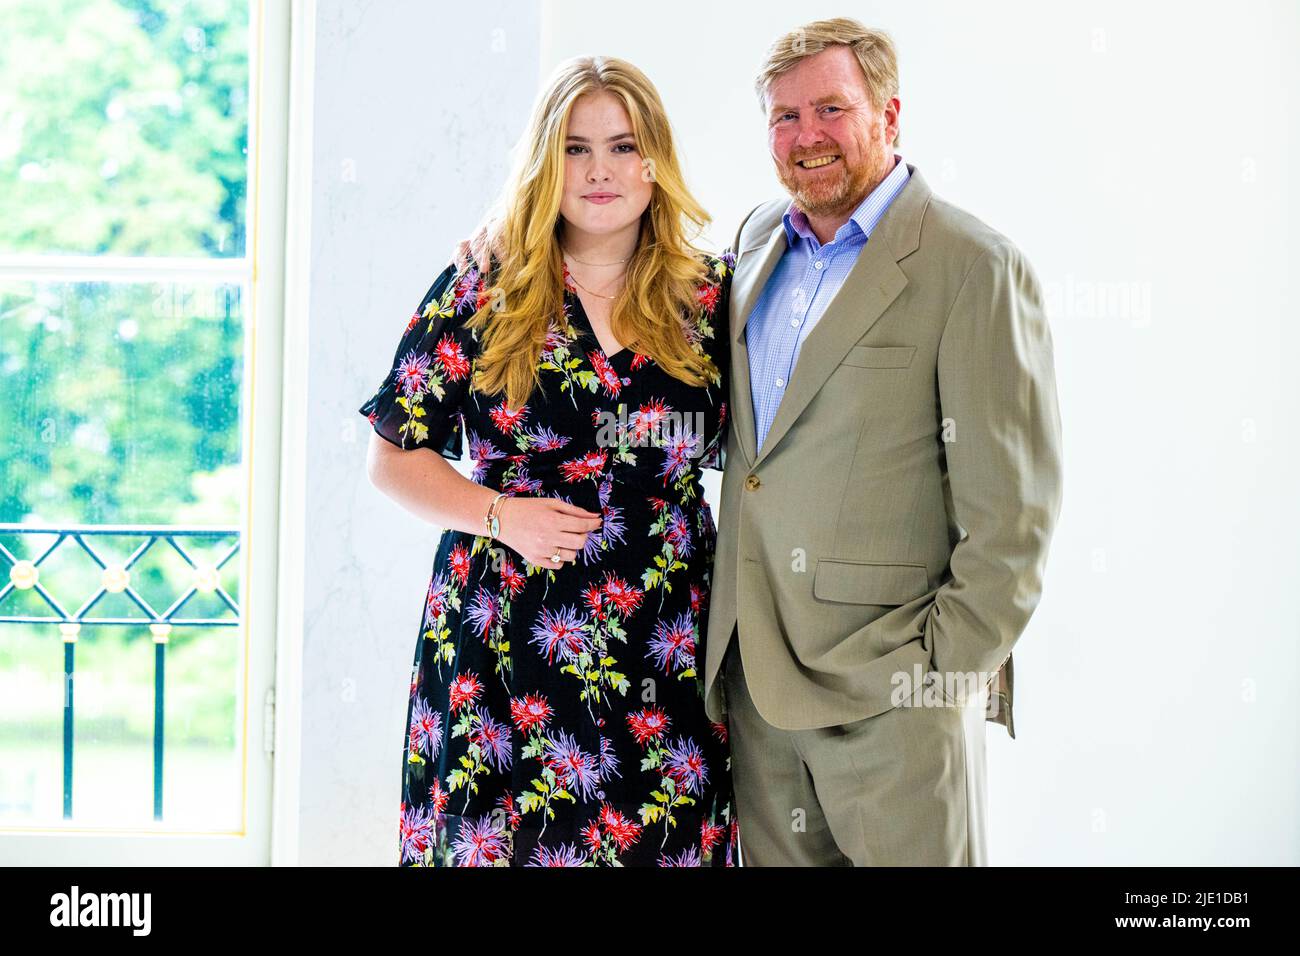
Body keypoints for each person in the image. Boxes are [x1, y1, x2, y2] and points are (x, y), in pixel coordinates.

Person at [701, 18, 1064, 865]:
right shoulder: (757, 240)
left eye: (831, 109)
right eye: (784, 118)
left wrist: (935, 684)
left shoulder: (974, 266)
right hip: (756, 691)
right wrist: (511, 245)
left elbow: (1014, 523)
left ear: (889, 115)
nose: (806, 137)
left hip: (891, 702)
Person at [359, 55, 737, 867]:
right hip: (504, 640)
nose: (600, 170)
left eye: (623, 146)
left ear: (656, 160)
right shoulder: (482, 287)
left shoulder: (714, 298)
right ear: (544, 161)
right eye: (574, 148)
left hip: (663, 645)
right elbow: (392, 457)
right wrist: (502, 516)